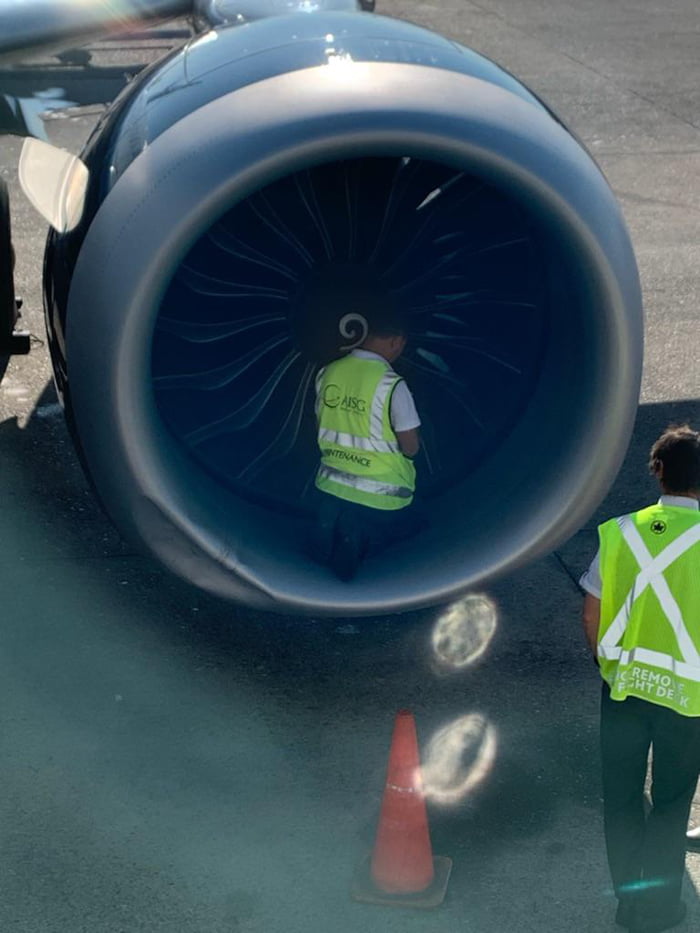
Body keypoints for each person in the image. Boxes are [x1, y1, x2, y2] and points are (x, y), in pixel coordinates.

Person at [579, 424, 700, 933]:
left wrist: (607, 664)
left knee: (623, 800)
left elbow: (592, 611)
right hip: (688, 700)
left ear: (657, 471)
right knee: (672, 805)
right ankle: (662, 908)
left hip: (624, 689)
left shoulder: (620, 532)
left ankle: (628, 908)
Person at [311, 314, 424, 580]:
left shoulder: (328, 372)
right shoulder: (391, 384)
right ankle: (360, 539)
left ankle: (330, 529)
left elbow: (320, 426)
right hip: (381, 493)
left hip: (331, 481)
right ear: (397, 341)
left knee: (342, 507)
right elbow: (410, 447)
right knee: (413, 523)